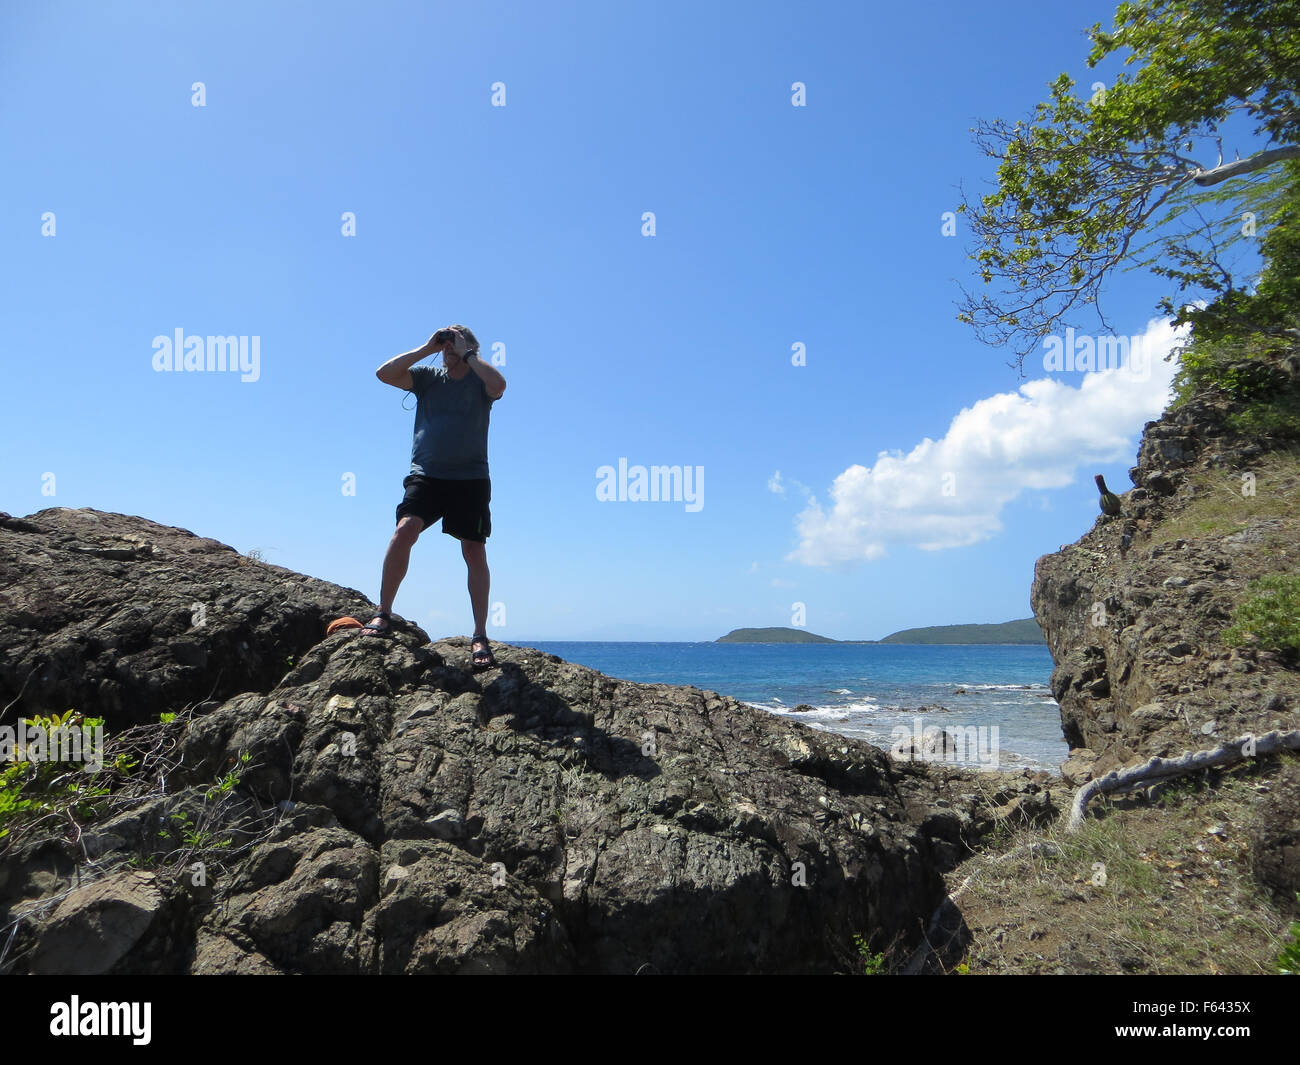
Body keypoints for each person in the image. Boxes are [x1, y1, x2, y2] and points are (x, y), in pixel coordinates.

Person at [362, 325, 507, 670]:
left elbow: (500, 386)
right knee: (404, 530)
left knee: (473, 549)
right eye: (447, 342)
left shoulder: (479, 380)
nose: (449, 347)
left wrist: (467, 352)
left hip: (470, 478)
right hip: (426, 475)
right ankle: (384, 612)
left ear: (472, 347)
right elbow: (384, 373)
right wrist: (428, 346)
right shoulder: (428, 377)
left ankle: (479, 634)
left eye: (456, 341)